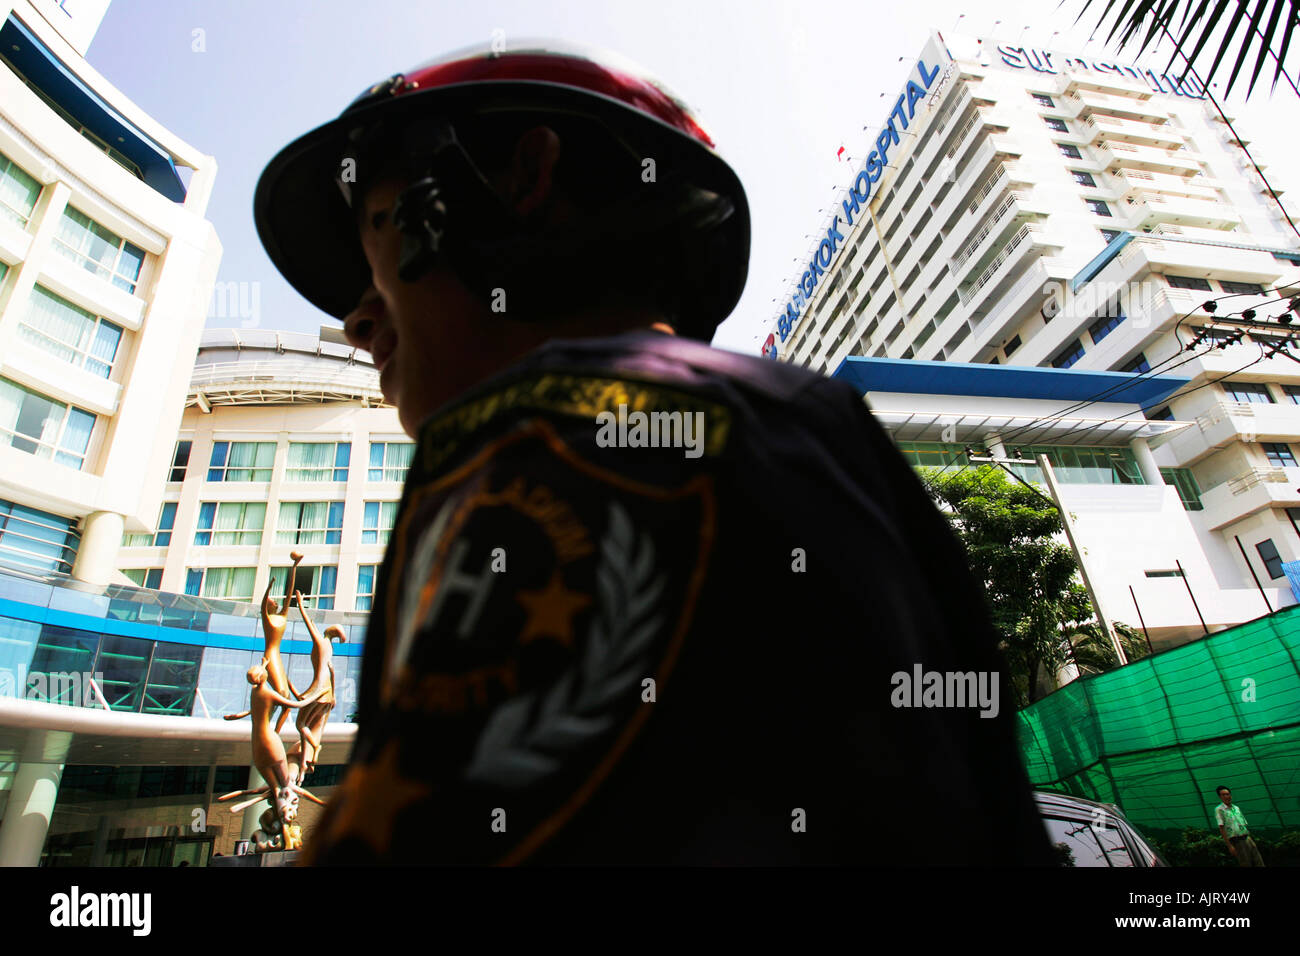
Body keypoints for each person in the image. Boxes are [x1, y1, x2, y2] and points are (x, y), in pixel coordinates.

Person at [253, 38, 1053, 865]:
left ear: (523, 178)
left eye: (376, 229)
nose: (355, 319)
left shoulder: (547, 425)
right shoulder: (806, 416)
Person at [1215, 785, 1265, 866]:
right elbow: (1221, 828)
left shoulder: (1236, 808)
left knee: (1258, 860)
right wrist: (1230, 846)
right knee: (1245, 862)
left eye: (1228, 794)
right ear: (1220, 797)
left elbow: (1244, 824)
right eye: (1223, 795)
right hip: (1237, 840)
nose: (1226, 796)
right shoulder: (1219, 810)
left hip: (1247, 837)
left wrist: (1249, 837)